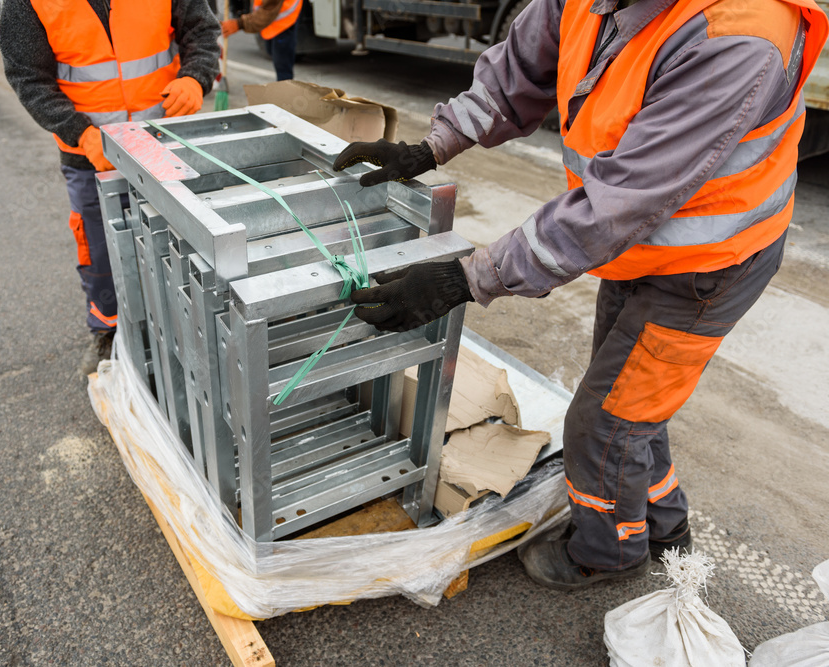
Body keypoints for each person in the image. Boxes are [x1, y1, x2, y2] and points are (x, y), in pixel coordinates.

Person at [332, 0, 827, 590]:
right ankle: (664, 519)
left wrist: (463, 279)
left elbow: (616, 205)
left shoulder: (738, 36)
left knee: (602, 420)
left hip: (710, 264)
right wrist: (429, 147)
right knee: (628, 398)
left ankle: (609, 552)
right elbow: (515, 76)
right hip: (638, 248)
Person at [0, 0, 221, 375]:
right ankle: (107, 331)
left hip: (163, 141)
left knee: (181, 244)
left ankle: (187, 332)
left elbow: (201, 29)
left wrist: (195, 77)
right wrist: (80, 134)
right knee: (101, 249)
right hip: (89, 154)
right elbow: (28, 77)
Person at [220, 0, 301, 81]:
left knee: (283, 67)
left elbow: (268, 11)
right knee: (274, 54)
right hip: (274, 20)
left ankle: (285, 91)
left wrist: (239, 24)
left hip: (285, 20)